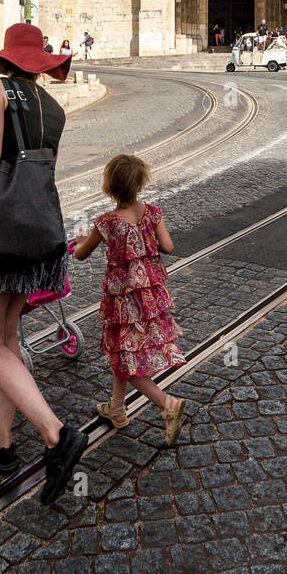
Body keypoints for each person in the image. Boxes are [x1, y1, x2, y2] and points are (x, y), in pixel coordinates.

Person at [0, 23, 86, 504]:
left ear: (4, 57)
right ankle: (2, 440)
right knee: (7, 339)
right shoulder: (54, 106)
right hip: (38, 230)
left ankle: (56, 434)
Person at [74, 154, 186, 445]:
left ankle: (167, 404)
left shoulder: (107, 222)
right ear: (140, 184)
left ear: (109, 187)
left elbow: (80, 253)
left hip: (123, 303)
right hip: (149, 301)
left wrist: (81, 237)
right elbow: (169, 247)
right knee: (123, 351)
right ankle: (117, 408)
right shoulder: (152, 213)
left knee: (124, 358)